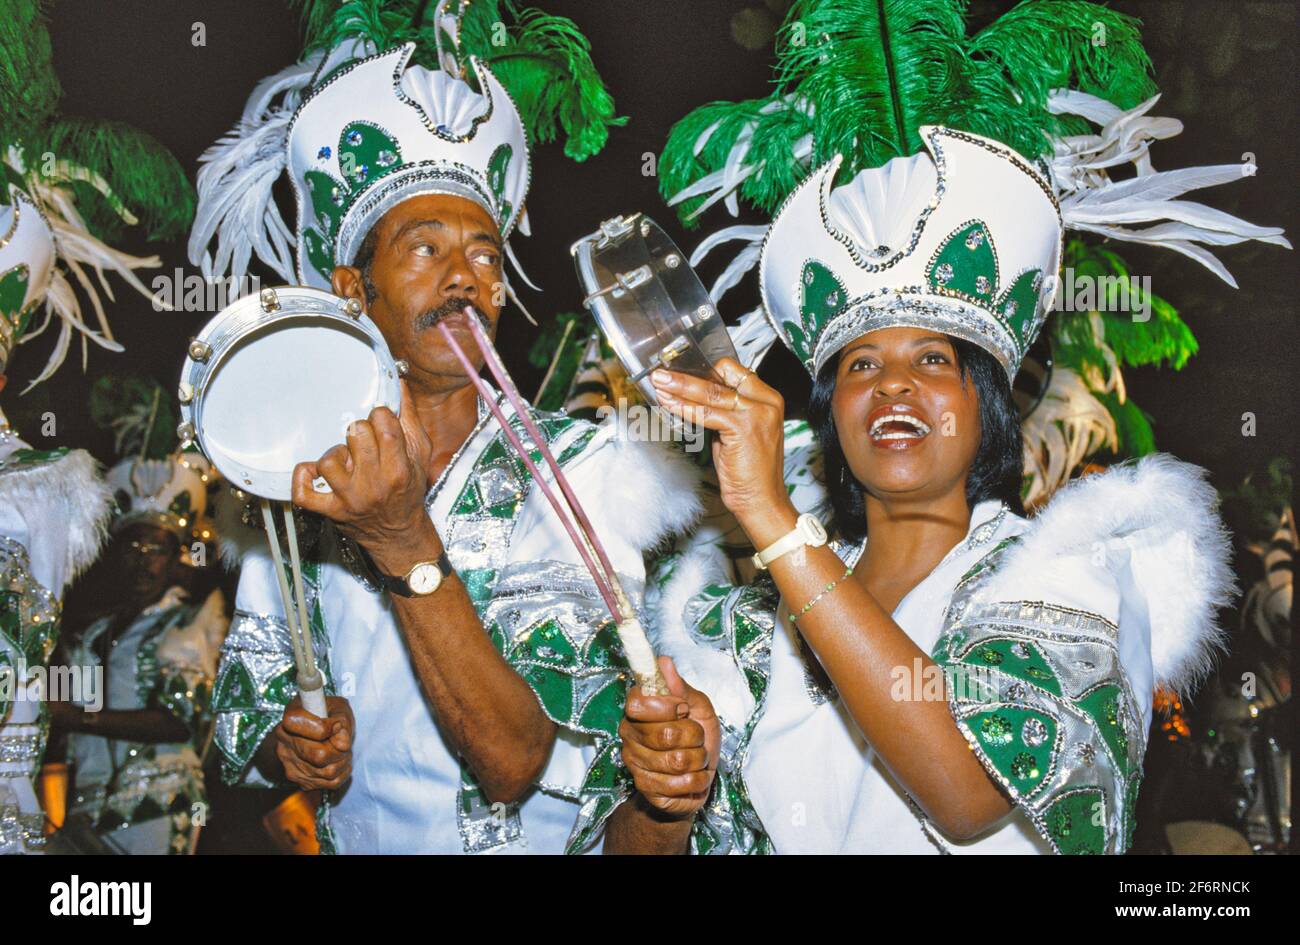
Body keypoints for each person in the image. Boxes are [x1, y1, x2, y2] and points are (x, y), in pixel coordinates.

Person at [193, 10, 700, 853]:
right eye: (425, 250)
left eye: (486, 255)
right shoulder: (299, 480)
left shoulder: (582, 475)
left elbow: (513, 758)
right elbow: (240, 727)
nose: (466, 276)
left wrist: (400, 539)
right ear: (354, 289)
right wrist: (292, 744)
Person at [53, 452, 228, 854]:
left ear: (175, 558)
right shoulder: (92, 631)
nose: (143, 561)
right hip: (86, 809)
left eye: (157, 549)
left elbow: (179, 721)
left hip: (157, 807)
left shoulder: (190, 621)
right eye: (133, 547)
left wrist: (78, 717)